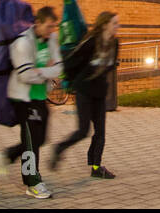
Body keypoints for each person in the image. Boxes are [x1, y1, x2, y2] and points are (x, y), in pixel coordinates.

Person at [0, 6, 63, 199]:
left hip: (41, 95)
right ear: (37, 23)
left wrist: (39, 72)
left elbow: (59, 67)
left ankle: (7, 156)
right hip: (23, 97)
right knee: (31, 140)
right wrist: (46, 71)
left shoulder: (52, 40)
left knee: (40, 139)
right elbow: (25, 75)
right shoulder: (22, 43)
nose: (52, 31)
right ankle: (32, 182)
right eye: (49, 26)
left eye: (53, 27)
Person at [51, 11, 120, 179]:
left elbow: (110, 65)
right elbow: (72, 62)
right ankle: (59, 148)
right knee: (83, 131)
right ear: (105, 25)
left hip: (99, 93)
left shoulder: (115, 43)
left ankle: (96, 167)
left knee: (100, 132)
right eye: (114, 23)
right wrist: (69, 81)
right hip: (84, 91)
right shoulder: (91, 42)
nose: (117, 27)